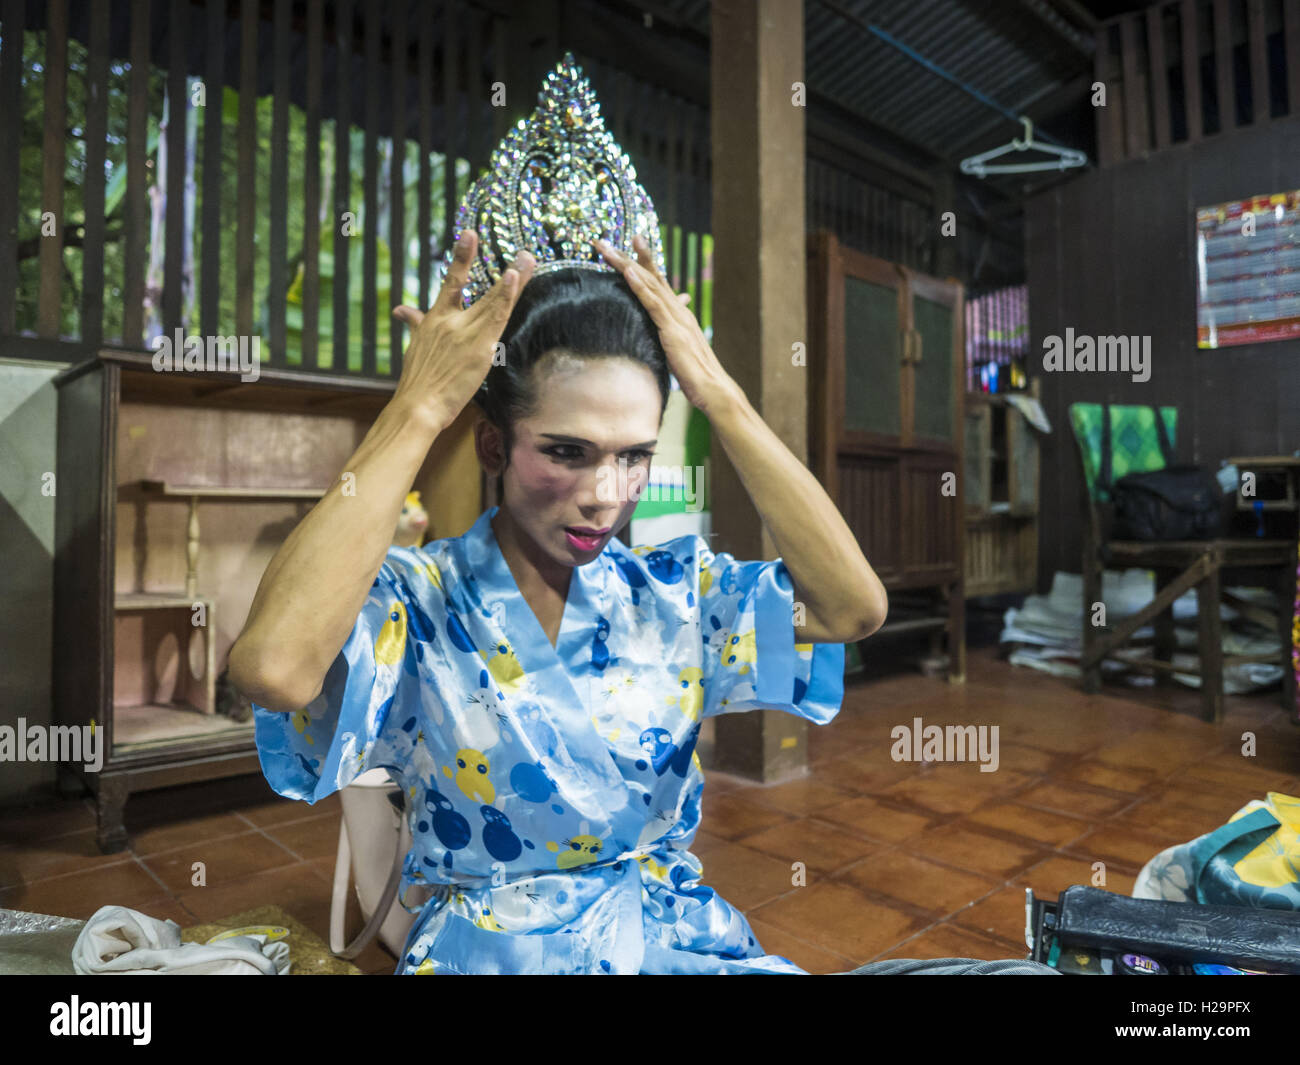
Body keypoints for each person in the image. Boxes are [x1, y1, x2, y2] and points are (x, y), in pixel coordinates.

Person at [229, 53, 1057, 975]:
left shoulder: (677, 592)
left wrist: (722, 396)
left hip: (680, 944)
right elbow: (273, 669)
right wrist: (417, 409)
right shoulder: (421, 604)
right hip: (500, 954)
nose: (607, 494)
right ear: (497, 446)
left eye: (634, 454)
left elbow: (852, 609)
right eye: (568, 452)